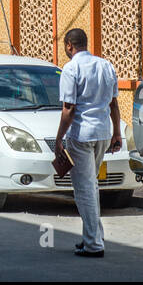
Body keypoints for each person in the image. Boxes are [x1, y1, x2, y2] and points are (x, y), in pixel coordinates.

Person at [54, 28, 121, 258]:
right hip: (102, 133)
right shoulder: (105, 66)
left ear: (69, 46)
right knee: (91, 187)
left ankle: (94, 244)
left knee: (84, 191)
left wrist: (59, 138)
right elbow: (113, 105)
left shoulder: (71, 69)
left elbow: (69, 109)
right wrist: (117, 134)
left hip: (81, 136)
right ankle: (90, 238)